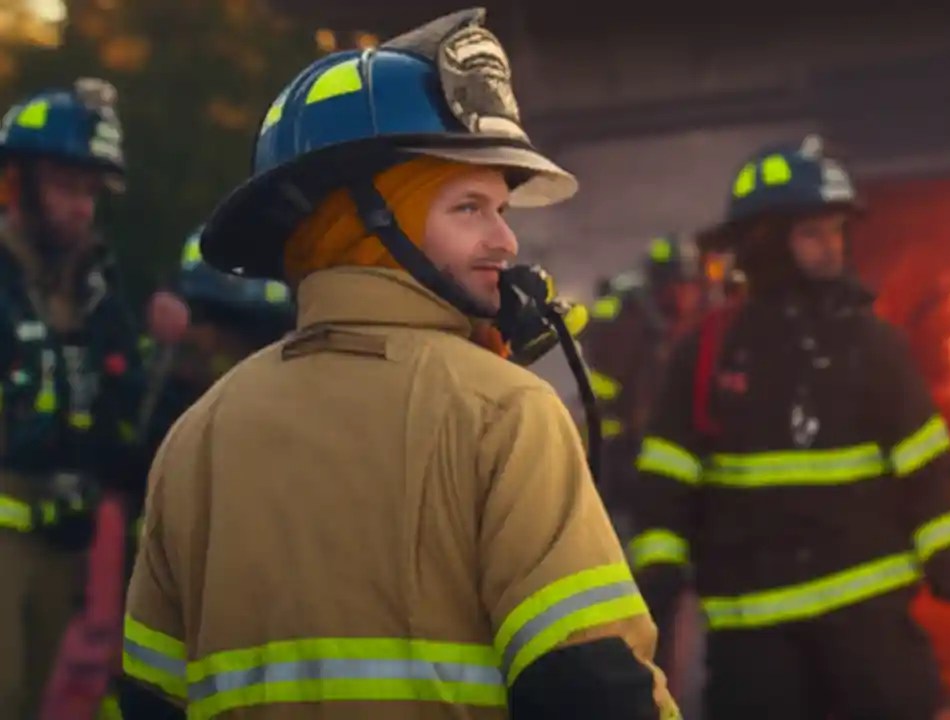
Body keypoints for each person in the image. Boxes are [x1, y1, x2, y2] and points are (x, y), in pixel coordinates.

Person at [119, 9, 678, 720]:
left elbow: (148, 703)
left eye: (502, 209)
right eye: (469, 206)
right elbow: (595, 689)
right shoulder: (503, 413)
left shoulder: (196, 439)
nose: (506, 241)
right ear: (365, 224)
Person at [628, 134, 950, 720]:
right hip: (755, 629)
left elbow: (924, 462)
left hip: (867, 621)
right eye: (813, 232)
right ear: (767, 242)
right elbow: (667, 473)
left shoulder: (874, 343)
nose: (832, 246)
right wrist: (659, 566)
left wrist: (947, 554)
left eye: (836, 231)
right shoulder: (709, 352)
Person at [0, 77, 147, 720]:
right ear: (15, 183)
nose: (81, 208)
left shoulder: (97, 294)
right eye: (65, 186)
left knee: (34, 699)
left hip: (65, 543)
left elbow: (124, 411)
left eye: (91, 192)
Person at [581, 234, 702, 534]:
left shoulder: (677, 322)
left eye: (691, 285)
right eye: (680, 285)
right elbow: (608, 387)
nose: (688, 294)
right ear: (662, 285)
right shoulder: (630, 322)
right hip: (621, 449)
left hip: (658, 444)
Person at [136, 228, 295, 456]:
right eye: (209, 318)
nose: (212, 343)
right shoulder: (146, 406)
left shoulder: (290, 424)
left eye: (257, 336)